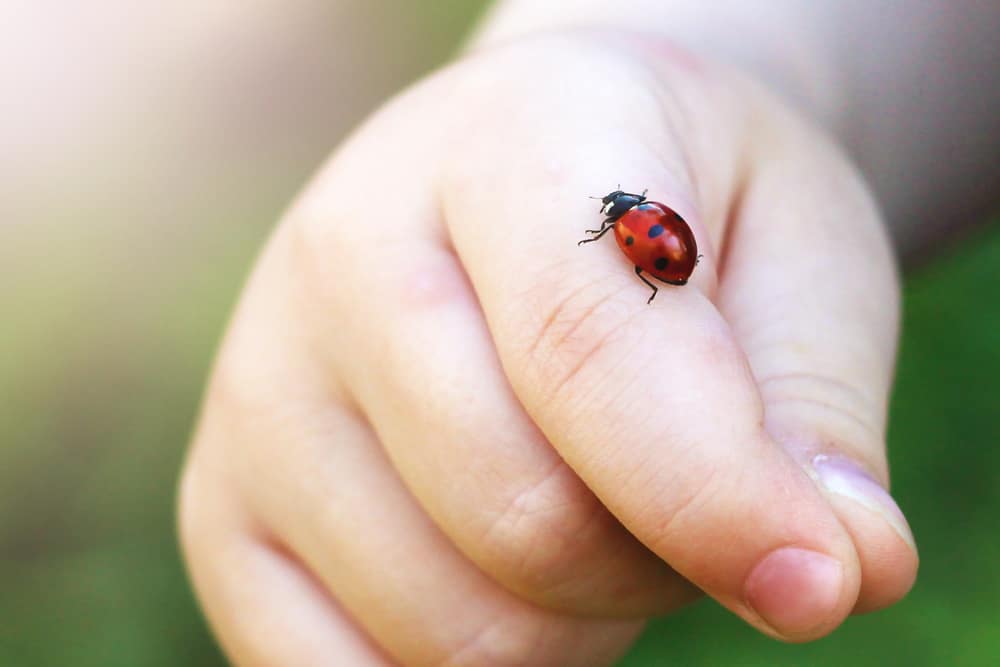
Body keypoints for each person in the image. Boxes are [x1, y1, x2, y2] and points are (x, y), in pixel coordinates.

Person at [177, 1, 999, 664]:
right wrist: (672, 49)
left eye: (615, 218)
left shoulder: (632, 231)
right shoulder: (638, 218)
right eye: (620, 220)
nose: (617, 223)